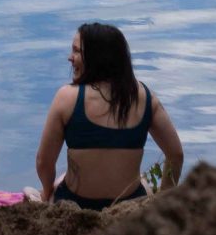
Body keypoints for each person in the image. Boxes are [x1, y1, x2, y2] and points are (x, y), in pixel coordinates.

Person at [33, 22, 183, 210]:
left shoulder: (67, 97)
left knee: (58, 180)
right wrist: (165, 198)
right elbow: (175, 154)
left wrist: (48, 192)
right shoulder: (145, 97)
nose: (70, 58)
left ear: (96, 58)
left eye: (76, 51)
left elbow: (43, 162)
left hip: (76, 205)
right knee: (144, 181)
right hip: (130, 204)